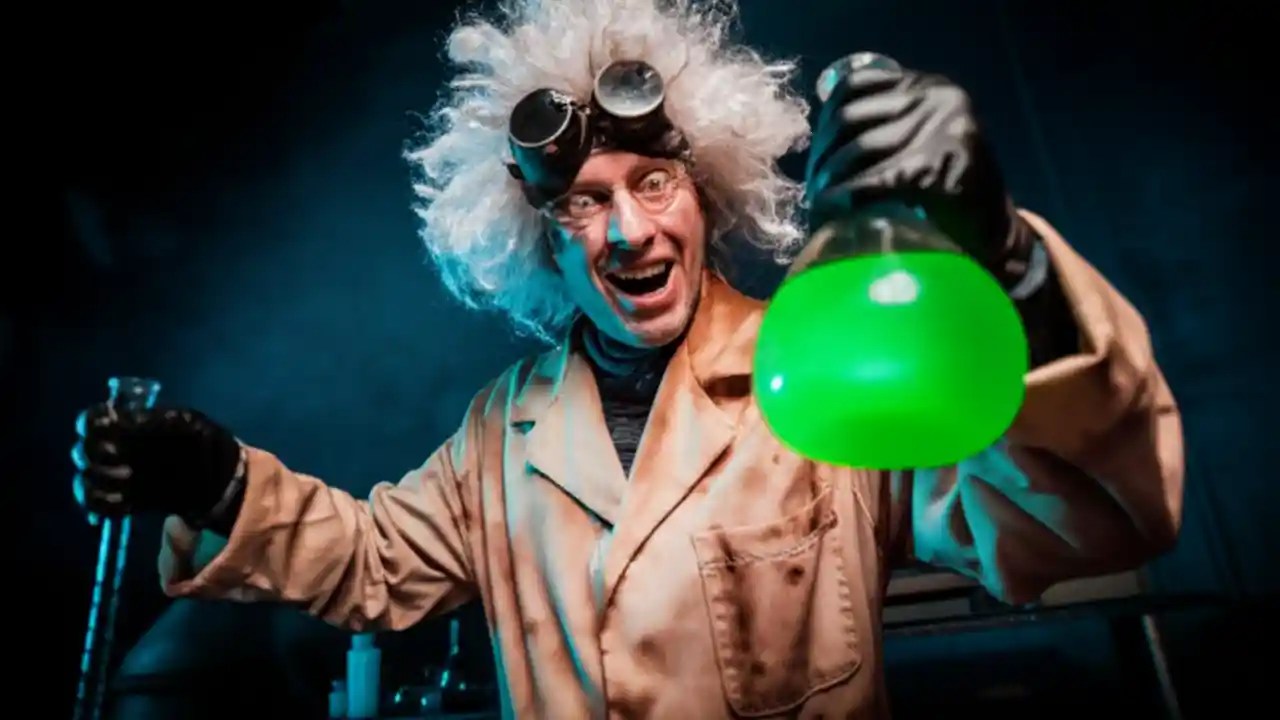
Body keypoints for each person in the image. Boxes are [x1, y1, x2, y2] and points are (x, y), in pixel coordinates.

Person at [71, 0, 1185, 717]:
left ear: (707, 198)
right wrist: (220, 485)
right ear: (538, 244)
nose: (628, 231)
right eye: (582, 203)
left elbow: (1085, 521)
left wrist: (1005, 264)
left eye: (654, 184)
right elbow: (372, 566)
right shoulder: (497, 433)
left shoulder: (819, 371)